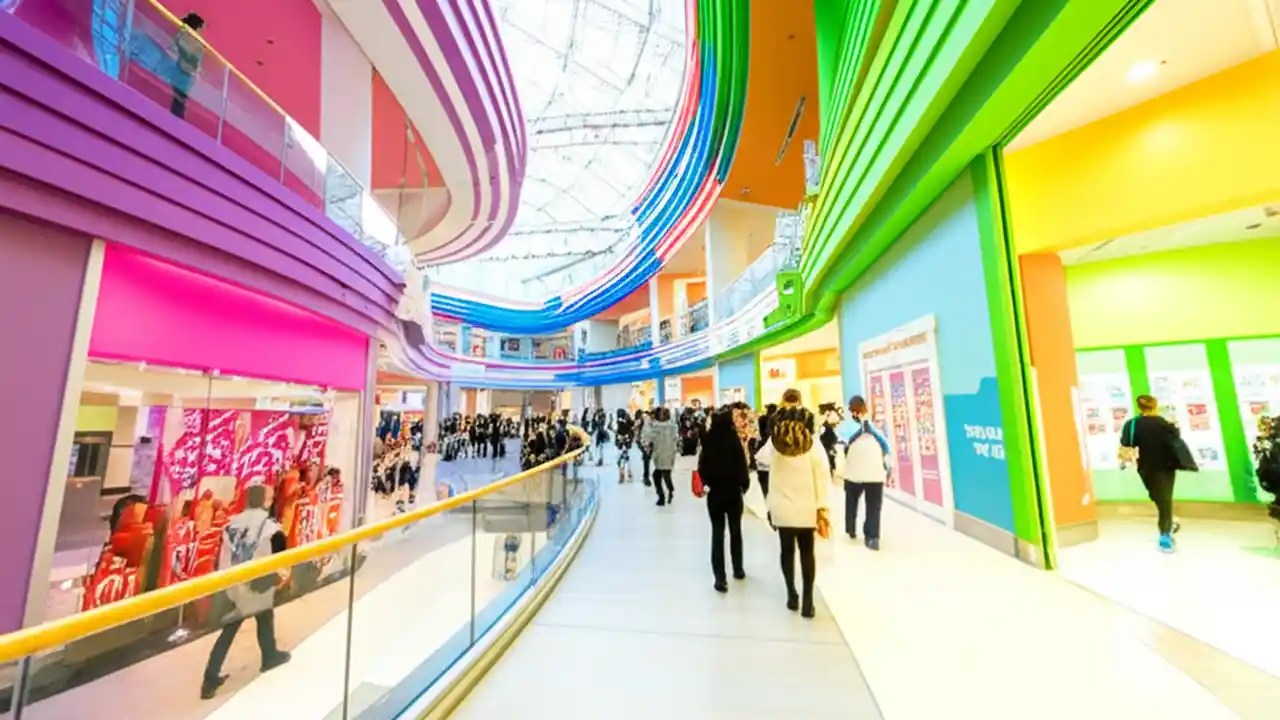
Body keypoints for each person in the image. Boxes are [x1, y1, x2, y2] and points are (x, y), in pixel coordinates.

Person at [202, 484, 290, 699]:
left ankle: (210, 677)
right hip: (259, 584)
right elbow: (281, 555)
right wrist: (281, 576)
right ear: (264, 501)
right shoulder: (270, 526)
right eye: (269, 498)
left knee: (235, 627)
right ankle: (269, 656)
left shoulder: (231, 524)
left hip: (234, 584)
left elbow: (221, 557)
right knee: (264, 616)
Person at [756, 389, 830, 618]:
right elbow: (822, 475)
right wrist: (822, 507)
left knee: (786, 550)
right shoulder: (813, 443)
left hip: (782, 507)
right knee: (807, 552)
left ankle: (791, 594)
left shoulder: (775, 443)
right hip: (806, 507)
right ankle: (808, 600)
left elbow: (761, 460)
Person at [1119, 394, 1185, 552]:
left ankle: (1165, 533)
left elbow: (1126, 445)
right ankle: (1168, 526)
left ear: (1139, 407)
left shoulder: (1132, 424)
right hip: (1166, 466)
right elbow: (1176, 442)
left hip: (1146, 467)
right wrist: (1176, 428)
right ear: (1155, 406)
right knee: (1163, 498)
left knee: (1160, 498)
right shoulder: (1165, 424)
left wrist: (1124, 460)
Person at [699, 409, 750, 592]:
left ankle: (719, 577)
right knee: (735, 530)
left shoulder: (708, 439)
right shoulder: (732, 439)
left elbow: (702, 466)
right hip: (733, 492)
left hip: (715, 493)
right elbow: (741, 465)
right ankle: (738, 568)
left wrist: (706, 484)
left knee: (717, 533)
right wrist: (744, 486)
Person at [840, 395, 890, 550]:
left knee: (851, 501)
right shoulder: (876, 426)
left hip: (853, 474)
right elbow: (886, 448)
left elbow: (844, 448)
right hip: (875, 474)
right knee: (874, 505)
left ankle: (851, 529)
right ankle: (872, 537)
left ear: (850, 409)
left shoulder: (847, 427)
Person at [170, 13, 205, 118]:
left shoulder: (191, 40)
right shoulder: (193, 41)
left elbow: (192, 55)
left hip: (185, 71)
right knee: (180, 96)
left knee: (180, 96)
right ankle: (177, 116)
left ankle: (176, 116)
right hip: (184, 70)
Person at [641, 406, 678, 506]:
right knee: (665, 474)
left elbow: (647, 437)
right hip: (669, 454)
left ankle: (663, 495)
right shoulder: (673, 425)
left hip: (660, 454)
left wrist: (647, 422)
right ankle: (670, 491)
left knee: (658, 475)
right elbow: (676, 438)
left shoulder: (655, 426)